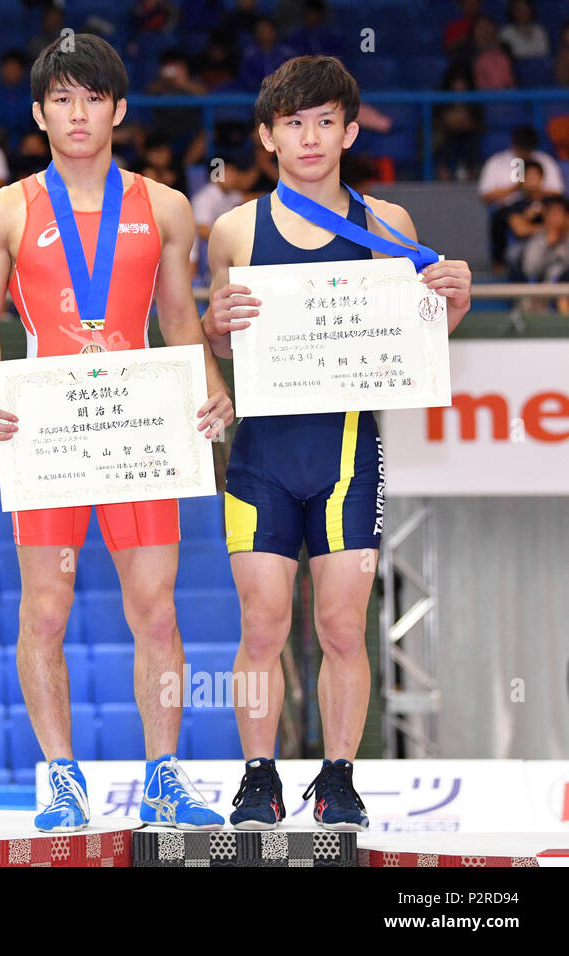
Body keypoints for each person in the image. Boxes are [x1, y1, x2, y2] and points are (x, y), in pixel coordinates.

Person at [0, 33, 234, 834]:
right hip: (49, 432)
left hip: (140, 431)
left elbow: (181, 318)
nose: (77, 114)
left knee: (156, 612)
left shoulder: (167, 205)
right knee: (44, 611)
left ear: (118, 109)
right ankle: (62, 778)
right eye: (61, 99)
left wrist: (211, 386)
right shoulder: (2, 210)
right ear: (40, 111)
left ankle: (162, 777)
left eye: (92, 99)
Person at [201, 55, 472, 831]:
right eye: (293, 123)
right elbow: (220, 348)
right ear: (267, 136)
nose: (310, 137)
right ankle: (258, 776)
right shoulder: (233, 231)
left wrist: (451, 304)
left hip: (349, 454)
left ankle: (340, 777)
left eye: (326, 121)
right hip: (262, 455)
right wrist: (217, 333)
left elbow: (417, 345)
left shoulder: (390, 225)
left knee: (343, 626)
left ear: (351, 131)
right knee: (261, 626)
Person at [478, 126, 564, 271]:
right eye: (521, 148)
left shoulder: (545, 161)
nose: (525, 153)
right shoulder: (497, 162)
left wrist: (536, 190)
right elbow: (486, 195)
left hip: (542, 206)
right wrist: (518, 187)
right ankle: (499, 262)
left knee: (557, 211)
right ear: (514, 144)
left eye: (528, 149)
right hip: (511, 208)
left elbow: (558, 192)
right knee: (500, 219)